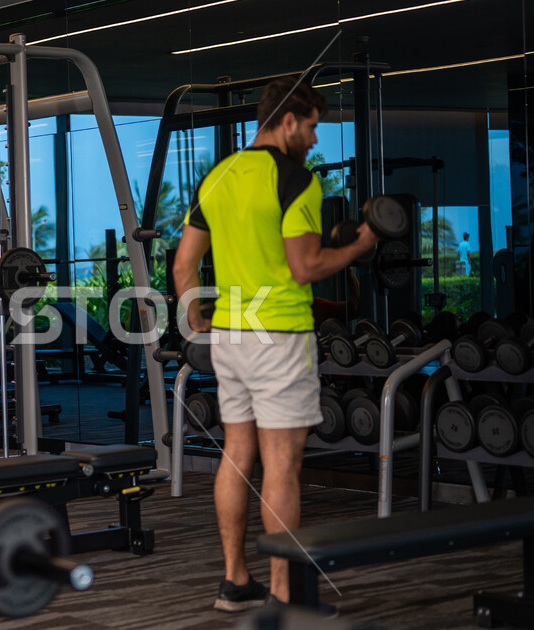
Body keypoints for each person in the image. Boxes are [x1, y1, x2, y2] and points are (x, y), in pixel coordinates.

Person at [172, 77, 378, 612]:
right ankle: (286, 595)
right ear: (288, 122)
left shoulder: (218, 175)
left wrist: (195, 317)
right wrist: (357, 247)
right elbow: (305, 267)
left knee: (237, 456)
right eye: (311, 127)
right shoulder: (296, 180)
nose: (314, 139)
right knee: (282, 465)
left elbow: (183, 265)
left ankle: (235, 581)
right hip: (280, 337)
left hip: (230, 336)